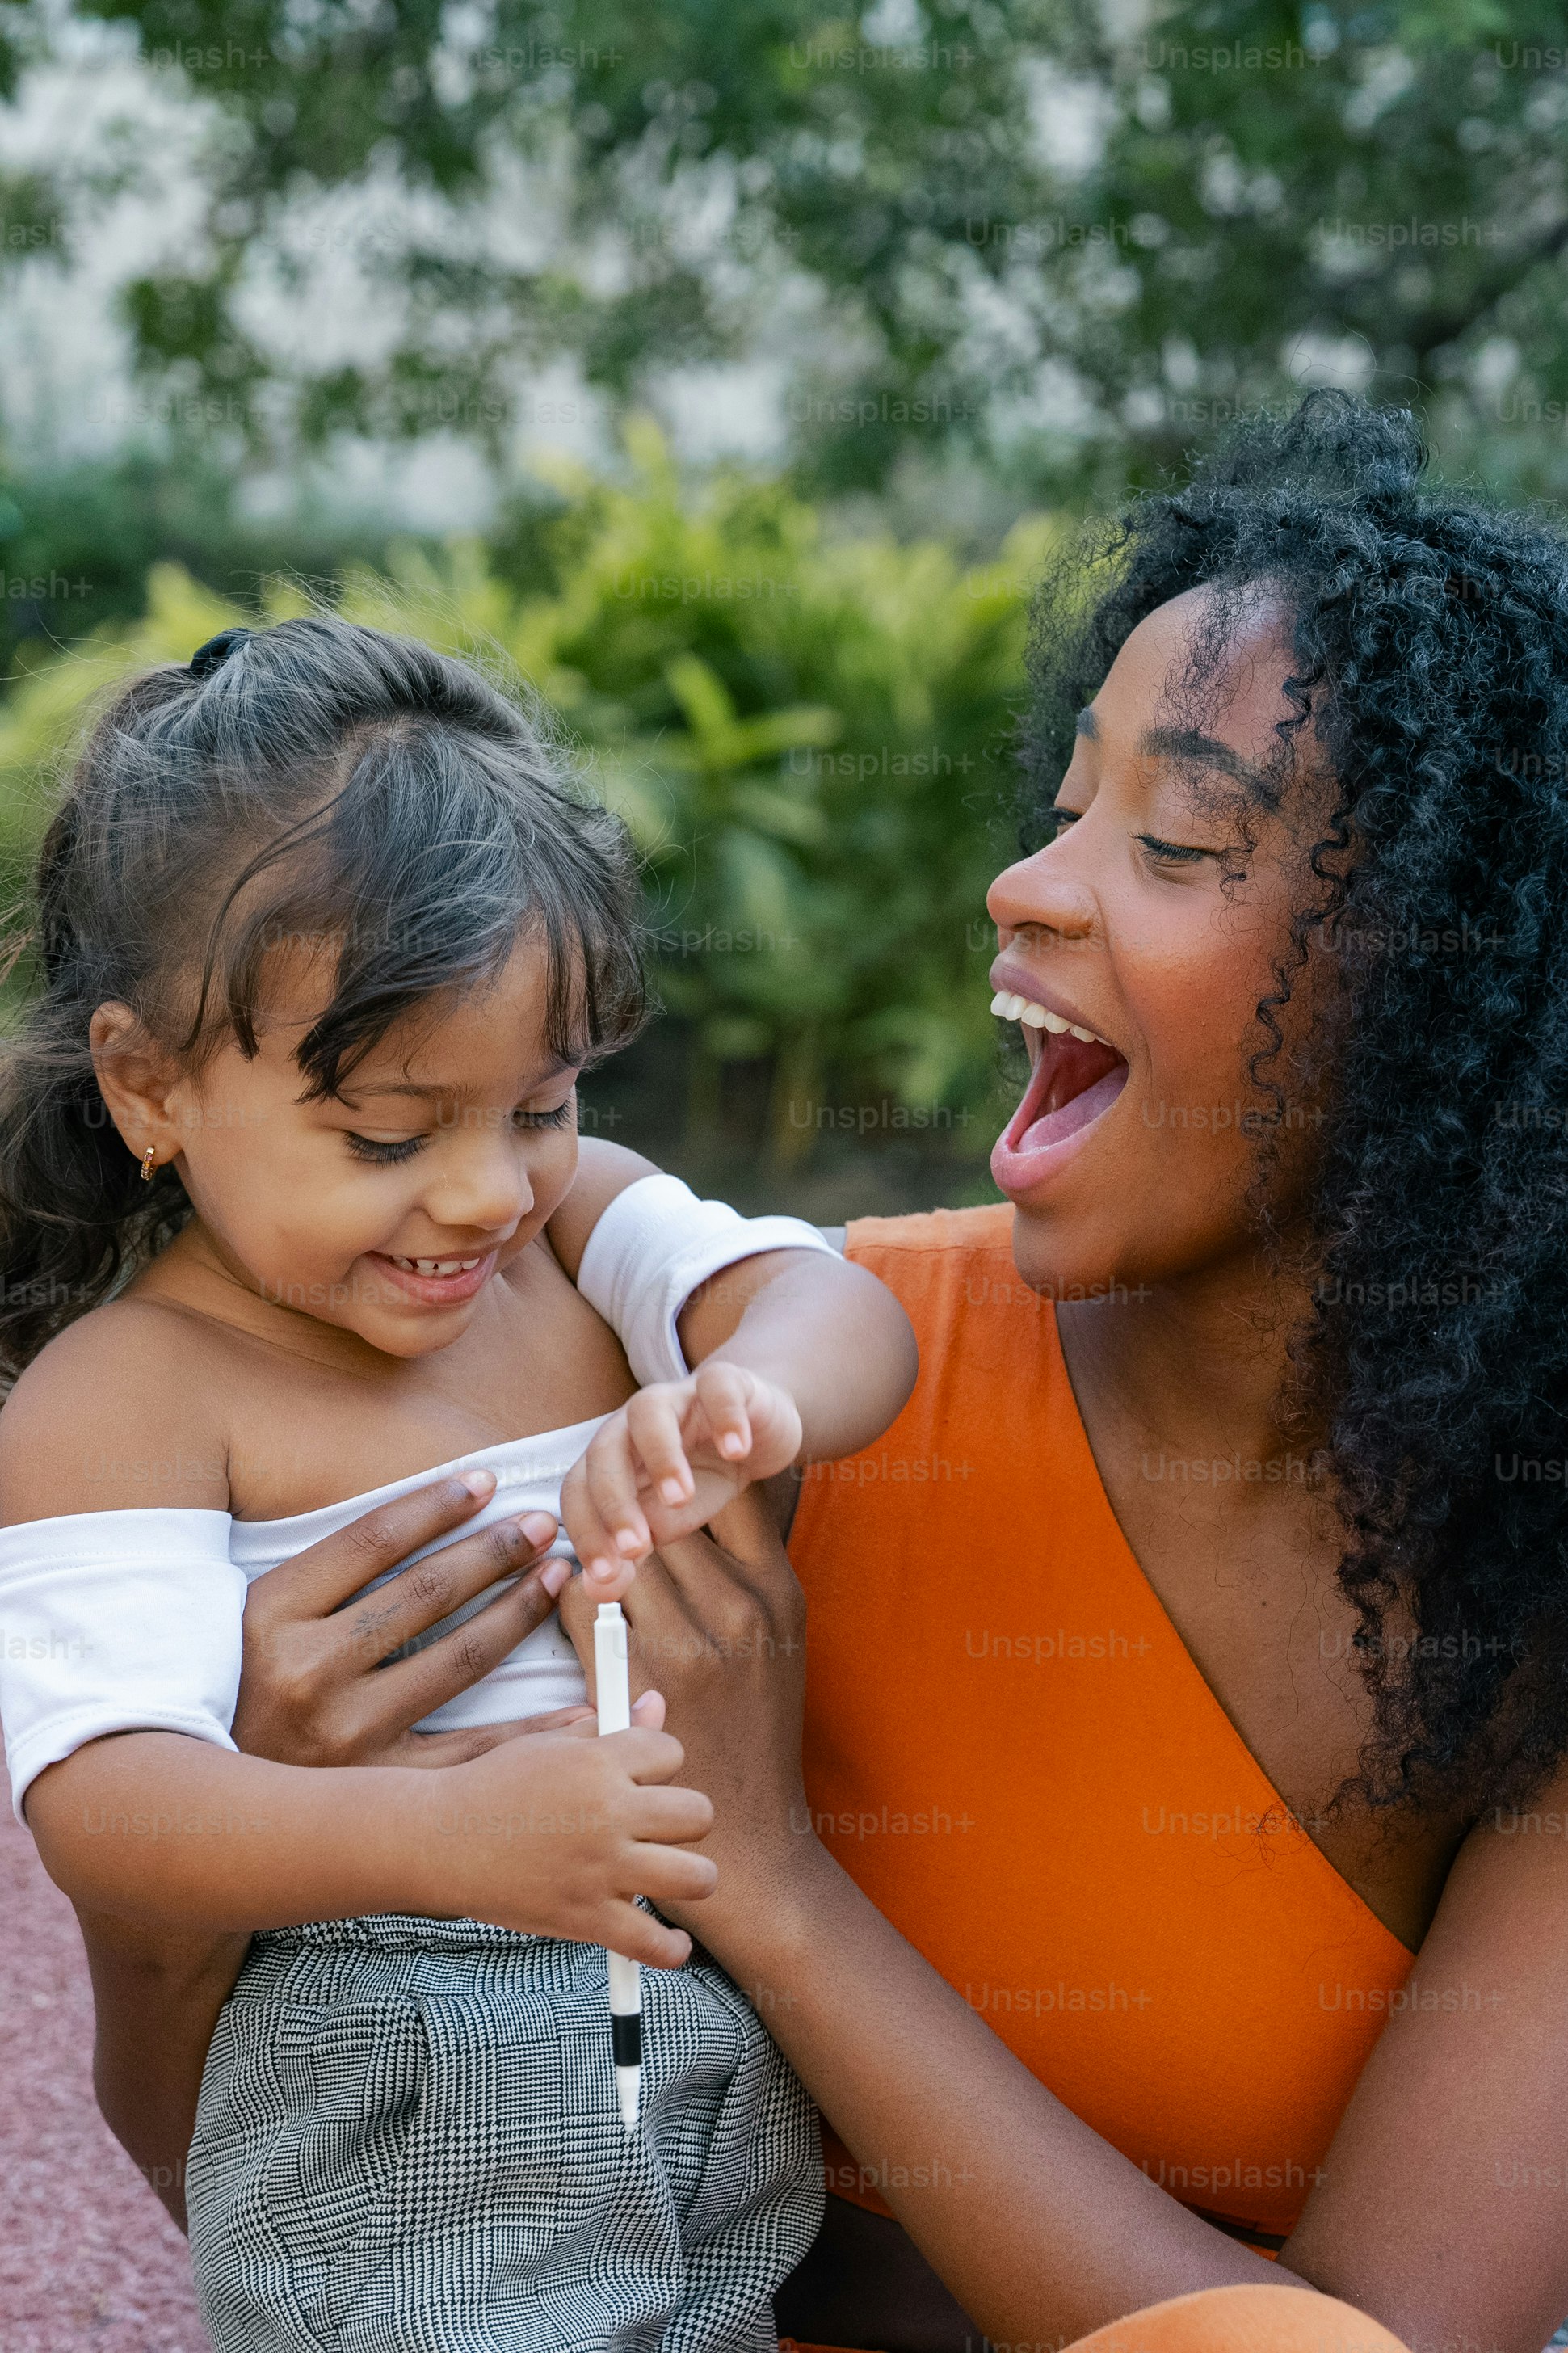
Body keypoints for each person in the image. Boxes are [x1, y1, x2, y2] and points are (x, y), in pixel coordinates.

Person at [38, 393, 1568, 2353]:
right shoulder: (741, 1406)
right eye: (1063, 798)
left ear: (1455, 988)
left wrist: (770, 1886)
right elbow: (260, 2189)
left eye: (1176, 836)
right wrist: (236, 1873)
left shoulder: (1519, 1596)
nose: (1027, 884)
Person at [0, 617, 919, 2353]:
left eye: (544, 1102)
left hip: (698, 2027)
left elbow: (838, 1308)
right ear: (151, 1087)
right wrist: (444, 1837)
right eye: (390, 1134)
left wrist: (745, 1394)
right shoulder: (122, 1397)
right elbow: (104, 1803)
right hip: (404, 2058)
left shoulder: (569, 1240)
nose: (487, 1190)